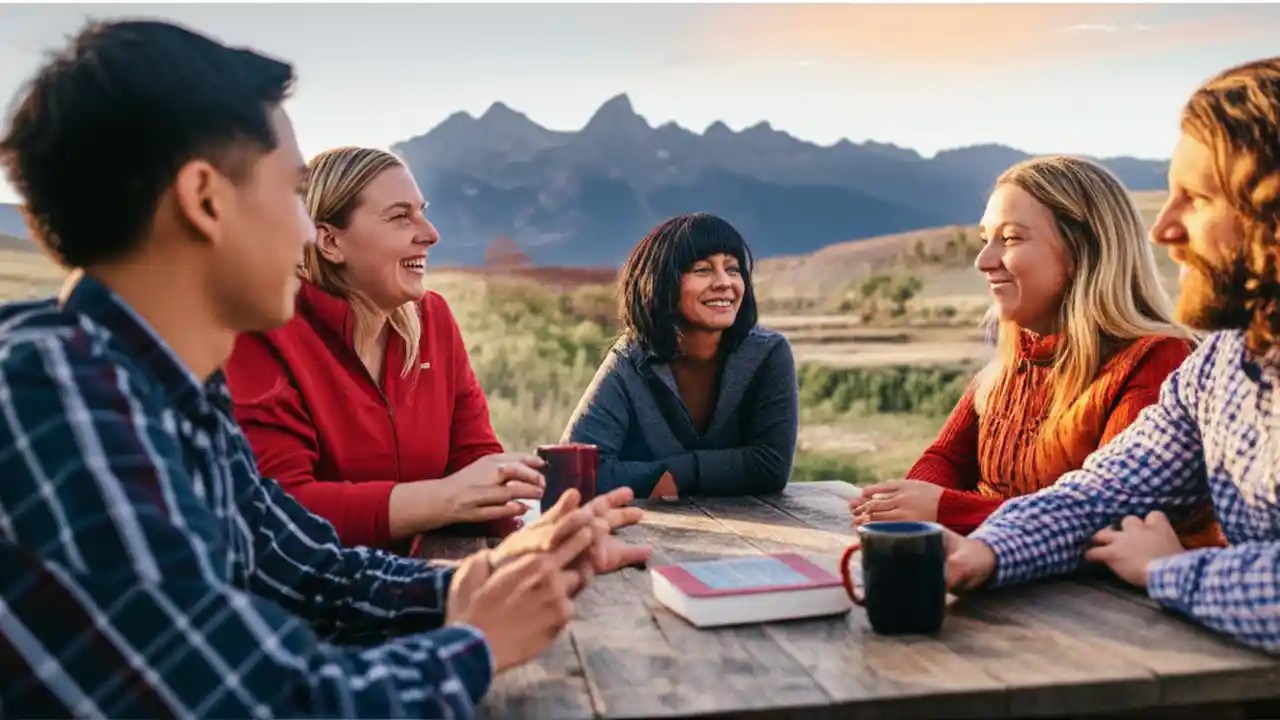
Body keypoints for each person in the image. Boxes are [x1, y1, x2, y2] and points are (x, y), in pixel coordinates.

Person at [0, 19, 649, 717]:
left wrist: (483, 582)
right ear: (206, 200)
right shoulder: (54, 400)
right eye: (293, 194)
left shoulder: (166, 387)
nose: (308, 232)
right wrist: (478, 642)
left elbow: (304, 570)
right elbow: (263, 703)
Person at [943, 57, 1280, 654]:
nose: (1163, 230)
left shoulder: (1163, 358)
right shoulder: (1221, 368)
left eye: (1196, 198)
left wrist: (1165, 572)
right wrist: (986, 551)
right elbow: (1105, 490)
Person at [851, 156, 1225, 549]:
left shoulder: (1157, 362)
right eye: (985, 240)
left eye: (1010, 239)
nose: (984, 261)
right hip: (1003, 582)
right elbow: (946, 458)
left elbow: (1114, 524)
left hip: (1113, 607)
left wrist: (945, 510)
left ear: (1084, 251)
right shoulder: (1011, 361)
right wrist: (903, 509)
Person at [225, 146, 538, 552]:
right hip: (318, 595)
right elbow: (283, 509)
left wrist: (532, 541)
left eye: (422, 211)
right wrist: (445, 499)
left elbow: (474, 461)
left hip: (429, 579)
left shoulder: (434, 321)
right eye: (400, 216)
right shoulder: (268, 332)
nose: (430, 233)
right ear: (330, 241)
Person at [562, 213, 798, 498]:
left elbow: (769, 467)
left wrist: (678, 474)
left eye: (733, 269)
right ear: (661, 283)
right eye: (702, 270)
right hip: (646, 532)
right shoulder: (631, 360)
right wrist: (663, 477)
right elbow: (573, 471)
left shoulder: (767, 354)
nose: (724, 283)